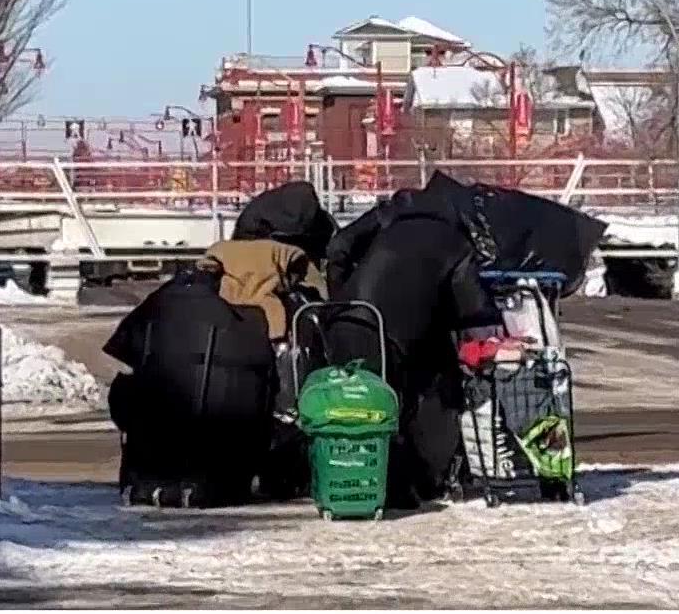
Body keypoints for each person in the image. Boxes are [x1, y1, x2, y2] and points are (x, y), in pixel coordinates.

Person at [318, 198, 503, 510]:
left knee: (354, 406)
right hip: (390, 335)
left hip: (345, 318)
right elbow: (471, 307)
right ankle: (404, 486)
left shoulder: (385, 220)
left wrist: (340, 296)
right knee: (398, 405)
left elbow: (337, 247)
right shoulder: (455, 243)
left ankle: (346, 480)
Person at [103, 264, 280, 508]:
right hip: (226, 437)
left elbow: (120, 351)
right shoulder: (251, 320)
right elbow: (270, 379)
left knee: (129, 383)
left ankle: (146, 472)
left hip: (156, 432)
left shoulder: (155, 307)